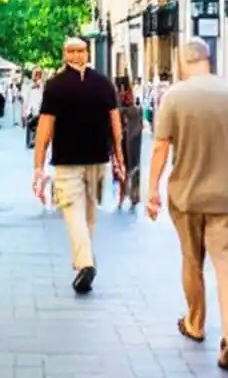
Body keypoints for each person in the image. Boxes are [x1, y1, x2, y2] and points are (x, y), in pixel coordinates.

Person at [147, 39, 228, 373]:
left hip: (187, 195)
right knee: (227, 267)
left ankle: (195, 322)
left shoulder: (174, 97)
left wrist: (152, 190)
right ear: (208, 59)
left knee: (192, 262)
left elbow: (161, 147)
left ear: (182, 60)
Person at [32, 38, 125, 294]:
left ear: (86, 52)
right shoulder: (104, 84)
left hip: (67, 161)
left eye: (79, 50)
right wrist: (119, 158)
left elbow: (44, 129)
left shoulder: (55, 86)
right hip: (98, 159)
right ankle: (83, 260)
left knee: (74, 213)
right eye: (73, 51)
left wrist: (38, 166)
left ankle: (85, 263)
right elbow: (116, 126)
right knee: (88, 214)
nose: (76, 55)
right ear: (66, 54)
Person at [117, 83, 145, 208]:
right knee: (132, 167)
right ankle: (130, 195)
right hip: (131, 144)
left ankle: (124, 195)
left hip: (127, 143)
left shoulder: (126, 111)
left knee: (127, 167)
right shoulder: (135, 110)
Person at [23, 68, 45, 148]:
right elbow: (27, 98)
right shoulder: (29, 86)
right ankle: (30, 142)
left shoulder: (42, 85)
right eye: (35, 74)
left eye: (38, 74)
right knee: (30, 125)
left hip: (39, 108)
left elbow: (43, 97)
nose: (36, 76)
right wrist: (25, 111)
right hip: (30, 108)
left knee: (38, 126)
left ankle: (36, 140)